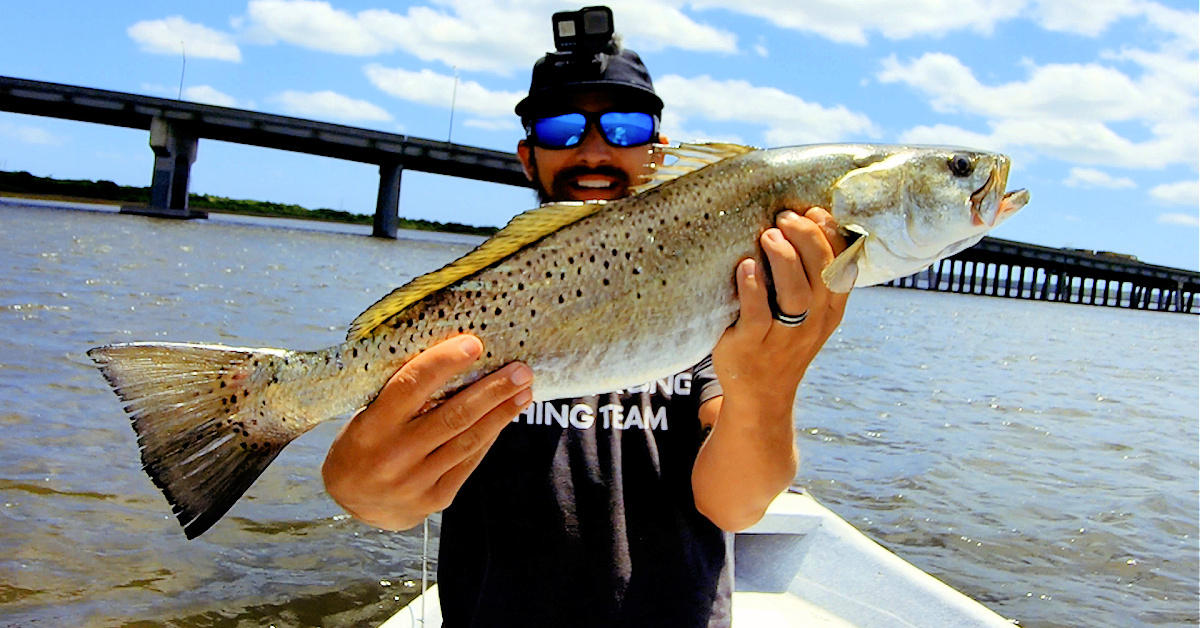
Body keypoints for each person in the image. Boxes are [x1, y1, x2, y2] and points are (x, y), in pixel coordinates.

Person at [322, 9, 849, 627]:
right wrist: (361, 488)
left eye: (624, 128)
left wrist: (770, 385)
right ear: (527, 154)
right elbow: (388, 501)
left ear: (659, 151)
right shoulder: (467, 309)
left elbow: (735, 505)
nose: (594, 150)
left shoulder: (727, 292)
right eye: (562, 127)